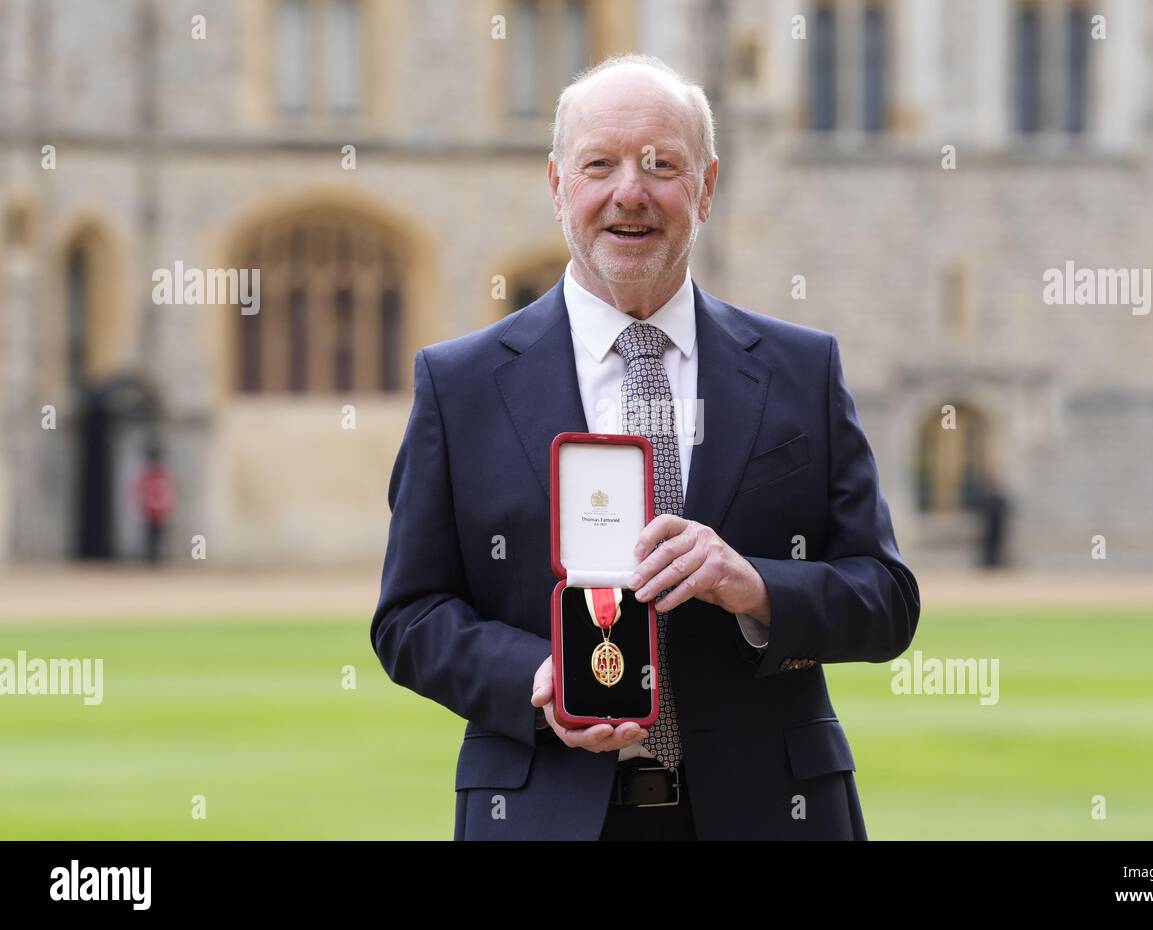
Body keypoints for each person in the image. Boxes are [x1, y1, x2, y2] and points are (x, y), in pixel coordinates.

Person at [370, 54, 920, 840]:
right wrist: (536, 681)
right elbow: (410, 616)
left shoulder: (802, 370)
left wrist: (754, 587)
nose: (631, 190)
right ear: (559, 185)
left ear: (706, 188)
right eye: (601, 164)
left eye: (662, 164)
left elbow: (888, 599)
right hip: (543, 812)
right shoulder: (459, 385)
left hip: (771, 814)